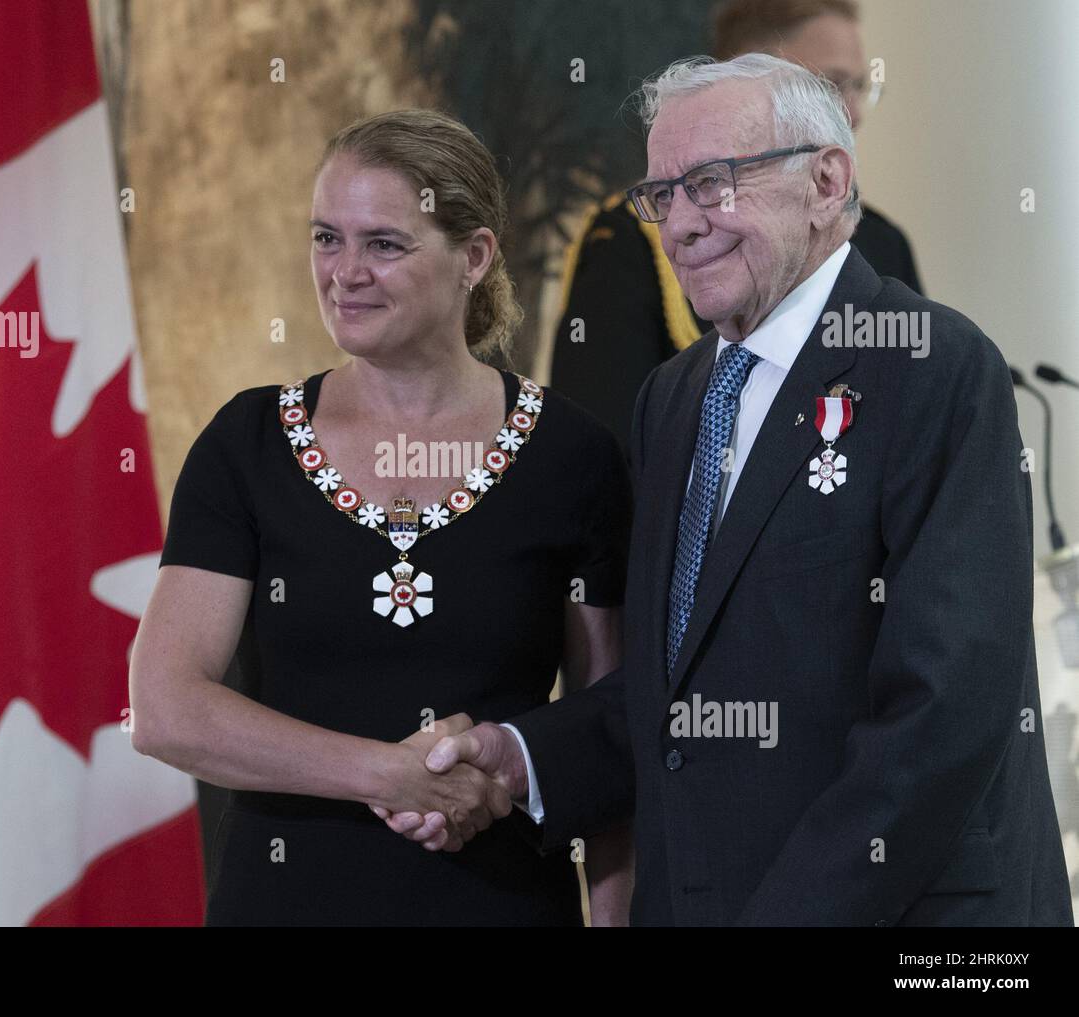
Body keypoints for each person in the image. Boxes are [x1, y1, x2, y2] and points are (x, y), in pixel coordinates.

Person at [382, 55, 1074, 926]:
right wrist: (517, 754)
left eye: (711, 183)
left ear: (827, 180)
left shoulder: (931, 365)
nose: (679, 225)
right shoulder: (672, 400)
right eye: (660, 195)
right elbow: (677, 695)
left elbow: (942, 716)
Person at [128, 108, 633, 925]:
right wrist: (385, 772)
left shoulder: (574, 456)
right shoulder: (246, 444)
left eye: (384, 243)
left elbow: (611, 738)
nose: (345, 272)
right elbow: (164, 708)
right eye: (326, 238)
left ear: (474, 258)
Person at [551, 0, 922, 454]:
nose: (855, 112)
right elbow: (608, 450)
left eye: (858, 86)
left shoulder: (883, 244)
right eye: (829, 87)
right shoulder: (630, 242)